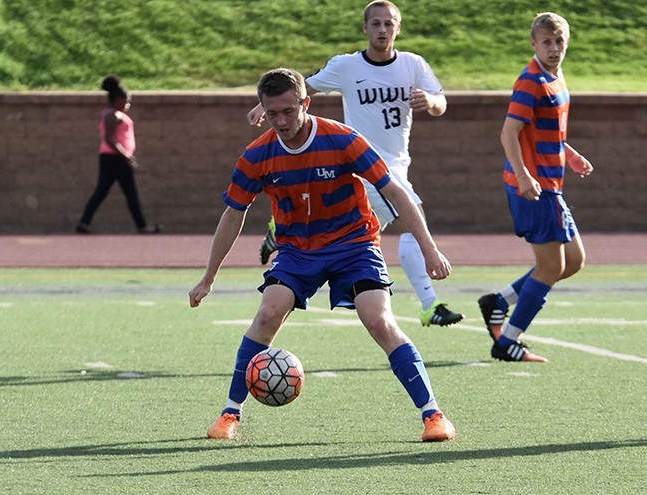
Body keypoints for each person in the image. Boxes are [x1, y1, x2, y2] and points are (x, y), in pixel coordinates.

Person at [191, 67, 456, 442]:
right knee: (267, 313)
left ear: (305, 103)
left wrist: (429, 249)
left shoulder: (343, 139)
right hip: (297, 250)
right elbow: (234, 213)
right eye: (272, 114)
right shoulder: (257, 154)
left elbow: (395, 191)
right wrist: (209, 276)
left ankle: (434, 415)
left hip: (354, 244)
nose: (280, 121)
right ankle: (230, 414)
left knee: (378, 319)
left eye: (287, 111)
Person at [246, 0, 464, 328]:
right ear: (365, 28)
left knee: (374, 224)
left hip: (398, 164)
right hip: (362, 166)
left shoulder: (413, 64)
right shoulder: (348, 67)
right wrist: (264, 107)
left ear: (398, 28)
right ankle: (429, 304)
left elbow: (441, 102)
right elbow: (304, 89)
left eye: (388, 23)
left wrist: (431, 101)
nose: (382, 29)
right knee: (410, 219)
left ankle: (280, 231)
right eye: (375, 23)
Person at [476, 12, 593, 362]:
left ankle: (500, 302)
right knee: (550, 267)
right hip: (535, 186)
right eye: (547, 42)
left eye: (559, 42)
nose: (554, 48)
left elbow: (544, 129)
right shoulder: (531, 81)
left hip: (551, 185)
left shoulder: (555, 77)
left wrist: (568, 153)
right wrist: (524, 175)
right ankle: (508, 340)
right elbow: (508, 133)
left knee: (573, 260)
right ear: (534, 44)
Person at [75, 75, 161, 234]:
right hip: (115, 159)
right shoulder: (113, 114)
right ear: (117, 99)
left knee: (104, 191)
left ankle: (84, 223)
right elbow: (109, 137)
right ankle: (142, 226)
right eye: (126, 100)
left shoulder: (112, 113)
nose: (128, 104)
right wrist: (126, 155)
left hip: (113, 158)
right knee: (128, 193)